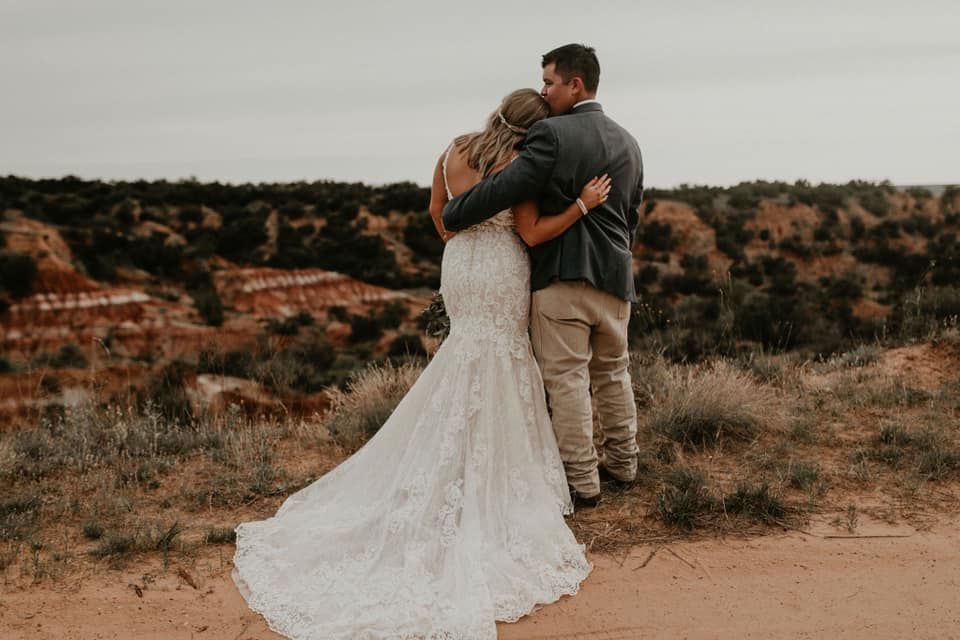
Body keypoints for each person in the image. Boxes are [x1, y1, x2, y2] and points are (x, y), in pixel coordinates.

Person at [232, 87, 611, 640]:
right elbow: (529, 233)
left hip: (459, 266)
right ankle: (487, 475)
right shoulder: (520, 165)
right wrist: (581, 206)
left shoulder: (454, 150)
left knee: (464, 355)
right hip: (503, 267)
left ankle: (447, 463)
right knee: (501, 360)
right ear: (532, 130)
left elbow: (439, 213)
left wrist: (462, 244)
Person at [443, 43, 644, 508]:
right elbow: (630, 217)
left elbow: (504, 188)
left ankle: (581, 482)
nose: (544, 91)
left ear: (576, 84)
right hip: (615, 278)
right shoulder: (628, 141)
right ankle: (624, 463)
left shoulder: (550, 135)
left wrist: (456, 212)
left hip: (563, 277)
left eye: (550, 82)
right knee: (614, 371)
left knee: (568, 378)